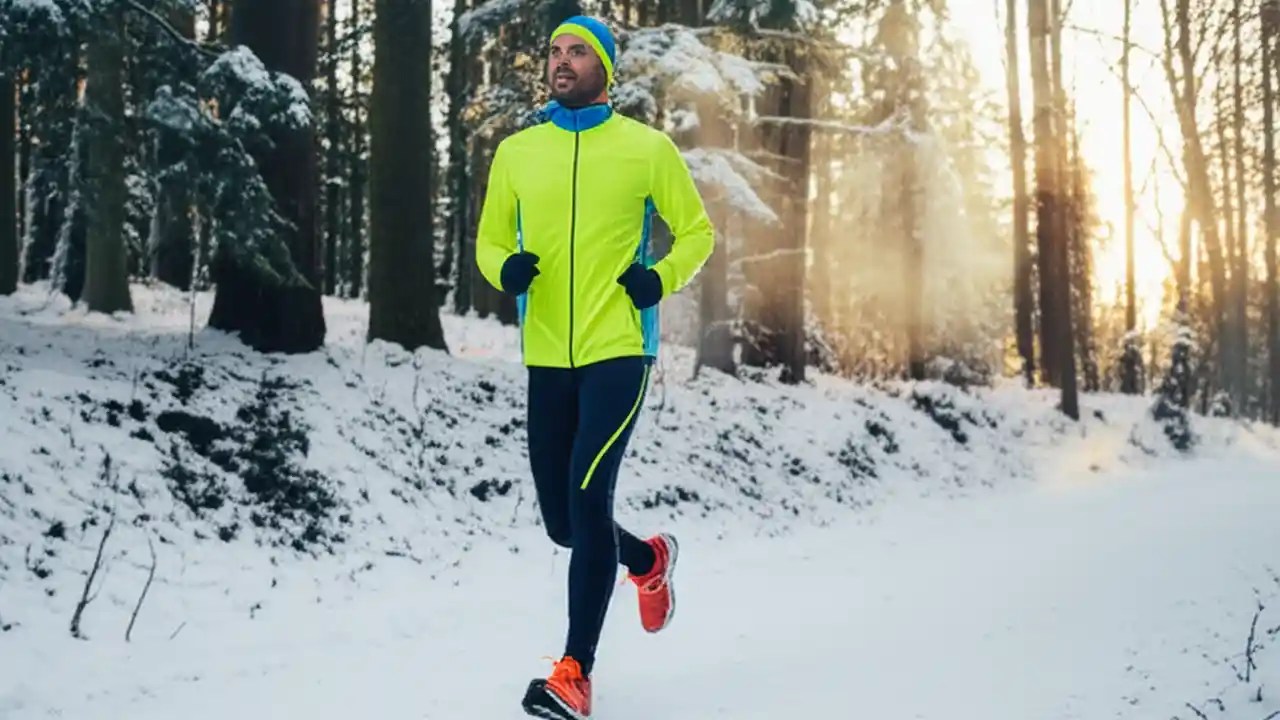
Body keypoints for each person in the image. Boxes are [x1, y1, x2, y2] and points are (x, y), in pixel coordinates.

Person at [473, 14, 715, 720]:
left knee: (588, 501)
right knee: (563, 525)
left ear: (606, 68)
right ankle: (647, 561)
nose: (563, 60)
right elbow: (490, 240)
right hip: (546, 353)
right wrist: (504, 267)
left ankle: (574, 673)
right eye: (555, 50)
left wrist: (660, 278)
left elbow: (697, 231)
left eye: (579, 51)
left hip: (619, 350)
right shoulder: (518, 153)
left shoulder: (645, 149)